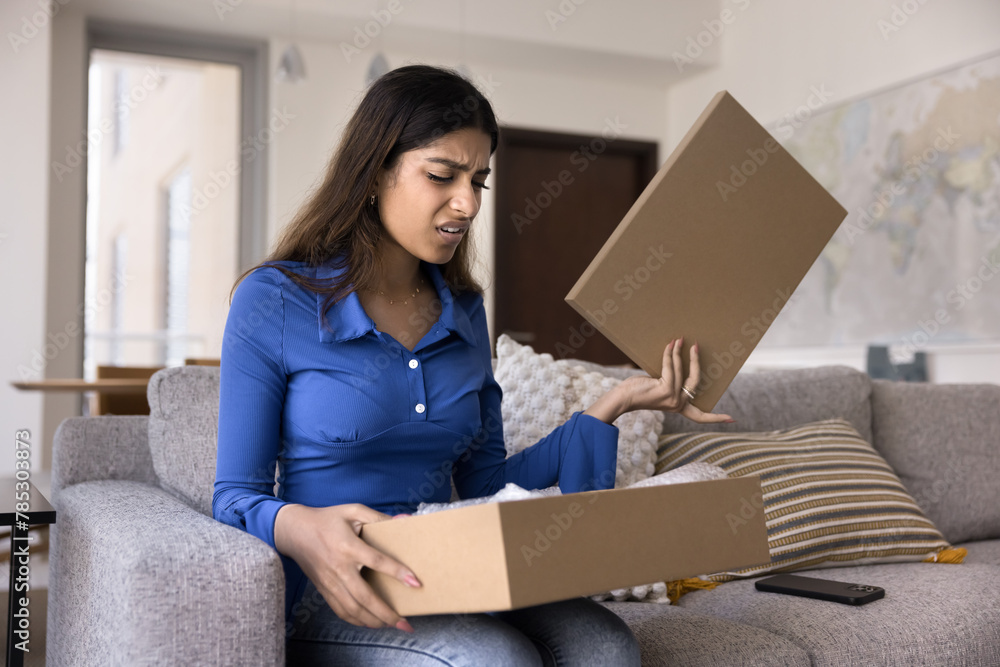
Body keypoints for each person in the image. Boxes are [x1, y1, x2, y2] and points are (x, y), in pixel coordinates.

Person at [213, 64, 733, 666]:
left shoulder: (464, 311)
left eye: (478, 180)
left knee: (606, 645)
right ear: (375, 172)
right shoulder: (274, 299)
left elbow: (485, 486)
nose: (467, 203)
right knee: (492, 659)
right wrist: (303, 527)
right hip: (340, 584)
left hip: (454, 567)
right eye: (441, 175)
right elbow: (236, 496)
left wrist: (612, 405)